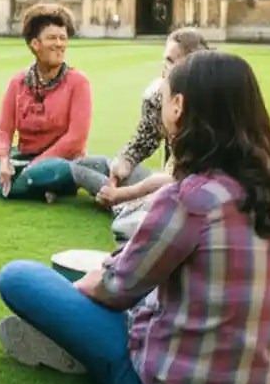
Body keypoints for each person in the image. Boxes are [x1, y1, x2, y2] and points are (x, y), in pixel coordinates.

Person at [0, 50, 270, 384]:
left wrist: (91, 286)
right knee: (100, 278)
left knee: (21, 277)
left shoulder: (191, 198)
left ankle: (75, 348)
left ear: (178, 106)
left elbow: (116, 290)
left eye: (165, 98)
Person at [70, 27, 210, 240]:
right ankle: (121, 200)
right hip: (166, 180)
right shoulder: (157, 98)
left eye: (173, 61)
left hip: (188, 192)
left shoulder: (211, 105)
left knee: (129, 223)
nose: (166, 69)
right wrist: (123, 163)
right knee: (85, 165)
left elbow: (184, 180)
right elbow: (143, 140)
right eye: (166, 60)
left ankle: (125, 205)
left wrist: (125, 193)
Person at [0, 3, 92, 201]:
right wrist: (5, 160)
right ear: (35, 44)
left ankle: (10, 187)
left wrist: (37, 164)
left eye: (63, 38)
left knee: (57, 170)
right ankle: (36, 188)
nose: (59, 44)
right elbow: (3, 130)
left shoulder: (78, 82)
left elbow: (76, 138)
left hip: (60, 161)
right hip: (24, 156)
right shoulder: (18, 82)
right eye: (52, 38)